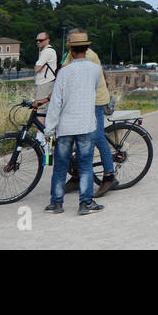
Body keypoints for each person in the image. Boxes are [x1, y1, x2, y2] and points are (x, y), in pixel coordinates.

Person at [43, 31, 104, 215]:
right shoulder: (96, 70)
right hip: (86, 124)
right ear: (86, 48)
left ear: (71, 50)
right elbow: (93, 90)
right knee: (85, 165)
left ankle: (56, 202)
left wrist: (49, 129)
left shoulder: (64, 72)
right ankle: (86, 203)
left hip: (65, 126)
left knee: (60, 166)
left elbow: (56, 102)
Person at [57, 35, 118, 198]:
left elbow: (80, 79)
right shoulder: (71, 55)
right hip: (83, 98)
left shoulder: (89, 56)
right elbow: (65, 73)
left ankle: (109, 176)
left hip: (95, 99)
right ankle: (77, 176)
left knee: (96, 136)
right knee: (78, 134)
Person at [32, 31, 57, 107]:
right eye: (37, 40)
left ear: (47, 40)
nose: (38, 42)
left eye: (41, 40)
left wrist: (39, 65)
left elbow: (36, 69)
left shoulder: (47, 51)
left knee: (41, 107)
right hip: (47, 82)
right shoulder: (45, 50)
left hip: (44, 83)